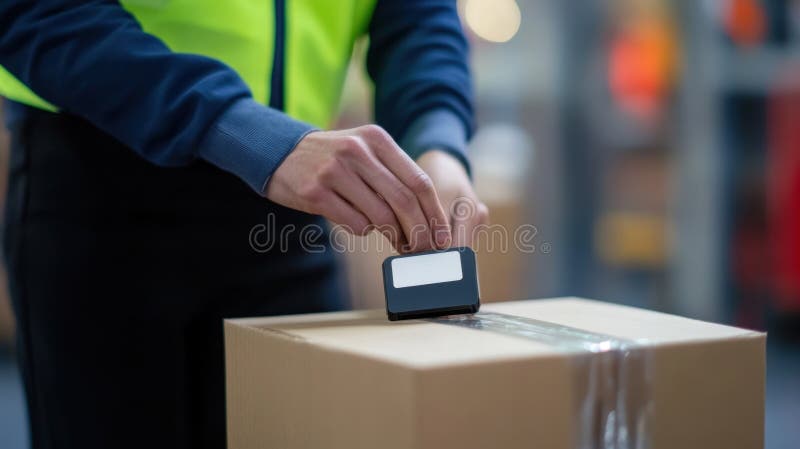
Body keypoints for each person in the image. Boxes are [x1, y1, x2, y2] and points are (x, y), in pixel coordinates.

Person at [0, 0, 487, 448]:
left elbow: (418, 17)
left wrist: (436, 140)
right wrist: (246, 133)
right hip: (102, 184)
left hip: (290, 205)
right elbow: (36, 11)